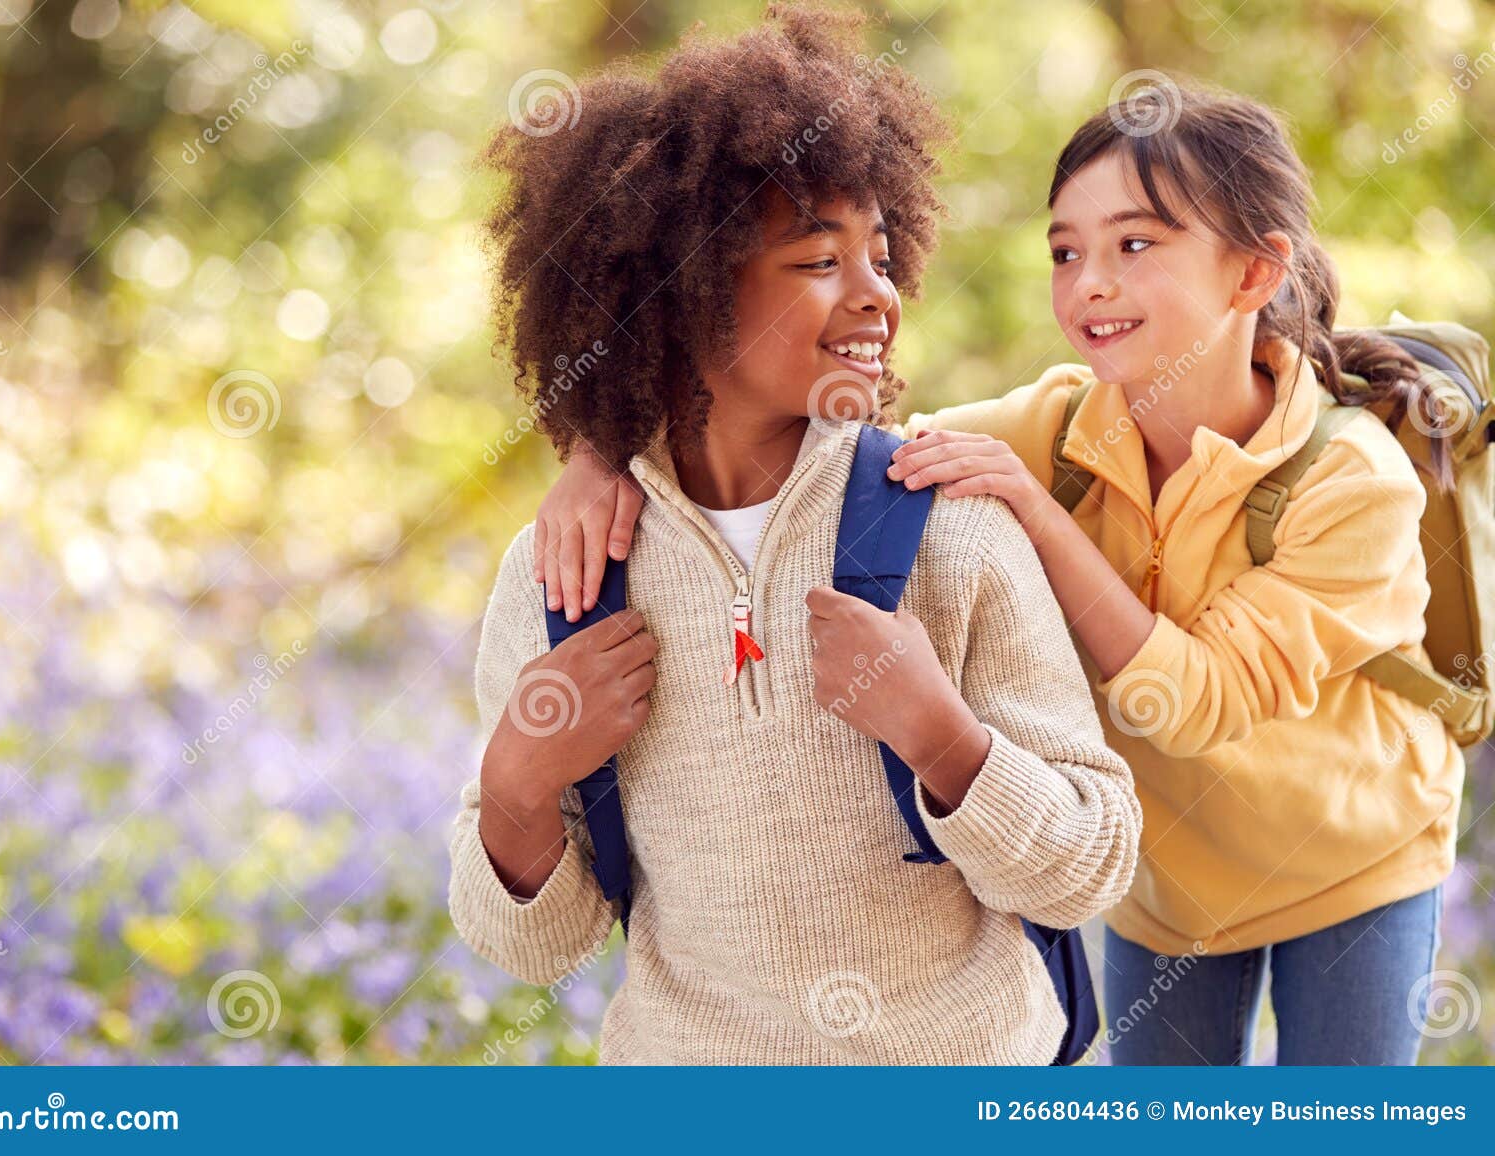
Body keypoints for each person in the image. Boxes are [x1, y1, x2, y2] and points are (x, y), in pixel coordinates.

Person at [537, 81, 1463, 1065]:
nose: (1089, 283)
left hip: (1351, 861)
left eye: (1134, 244)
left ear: (1253, 271)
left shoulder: (1351, 476)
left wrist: (1033, 511)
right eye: (1066, 252)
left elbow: (1191, 700)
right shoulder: (1059, 426)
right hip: (1169, 887)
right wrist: (604, 446)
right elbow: (832, 432)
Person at [448, 3, 1140, 1065]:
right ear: (682, 296)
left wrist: (945, 741)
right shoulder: (570, 569)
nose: (880, 296)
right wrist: (516, 783)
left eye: (881, 253)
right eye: (819, 262)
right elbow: (536, 947)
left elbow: (1090, 864)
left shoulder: (950, 525)